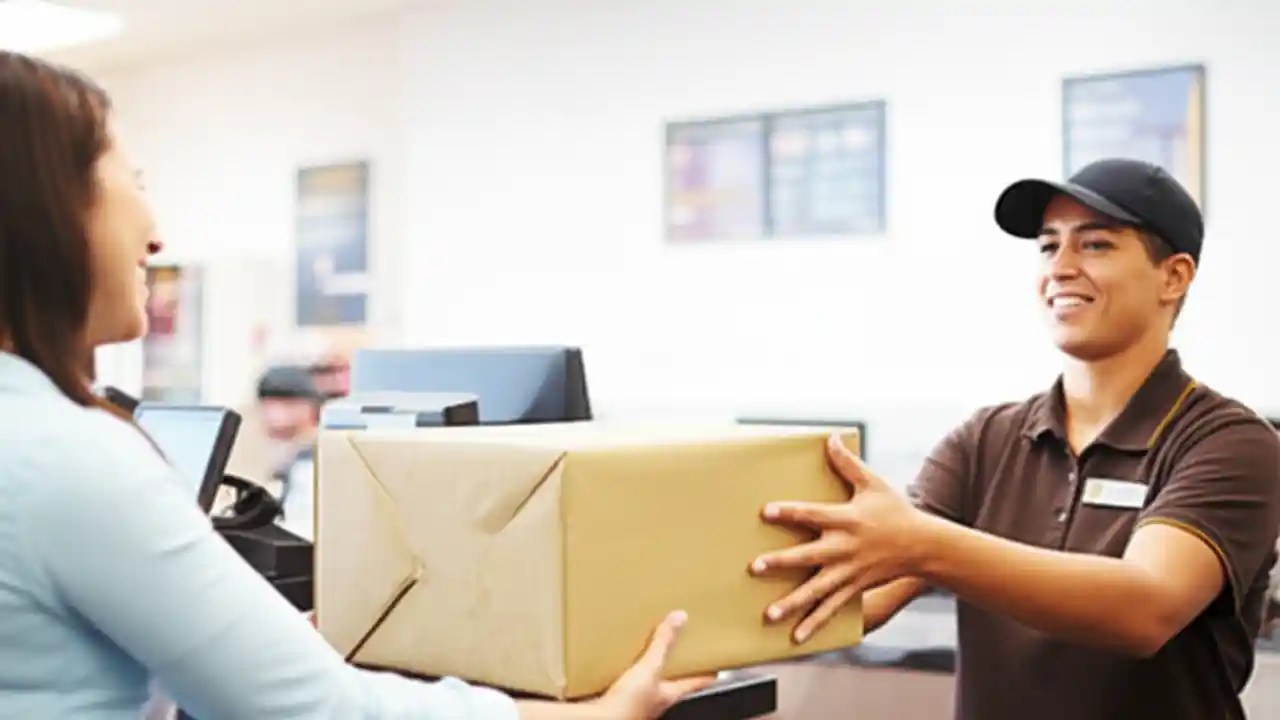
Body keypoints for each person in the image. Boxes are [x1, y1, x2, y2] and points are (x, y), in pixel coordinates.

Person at [0, 51, 712, 719]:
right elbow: (321, 713)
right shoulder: (67, 458)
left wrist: (260, 647)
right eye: (136, 185)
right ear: (48, 211)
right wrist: (598, 715)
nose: (155, 235)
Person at [751, 158, 1280, 719]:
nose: (1062, 267)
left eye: (1095, 245)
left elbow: (1144, 608)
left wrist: (925, 545)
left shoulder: (1230, 443)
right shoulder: (985, 440)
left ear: (1173, 276)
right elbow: (860, 598)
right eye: (1049, 247)